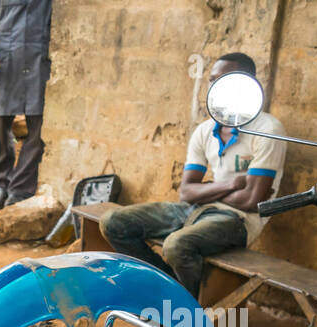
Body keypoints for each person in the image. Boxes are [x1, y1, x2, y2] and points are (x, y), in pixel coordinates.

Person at [99, 53, 287, 298]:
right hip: (195, 208)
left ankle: (181, 313)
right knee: (113, 222)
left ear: (246, 83)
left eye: (224, 80)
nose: (215, 87)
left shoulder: (268, 129)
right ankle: (167, 289)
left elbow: (252, 201)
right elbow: (186, 192)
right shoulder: (205, 130)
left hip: (238, 220)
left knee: (177, 245)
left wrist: (209, 190)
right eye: (212, 80)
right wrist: (232, 184)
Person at [0, 0, 52, 209]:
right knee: (0, 122)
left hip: (39, 54)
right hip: (6, 53)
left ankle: (20, 188)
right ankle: (2, 184)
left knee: (38, 125)